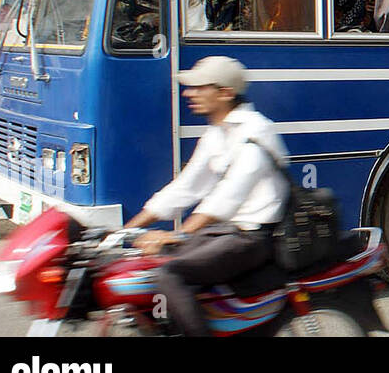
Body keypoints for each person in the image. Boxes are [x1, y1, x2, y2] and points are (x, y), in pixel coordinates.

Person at [124, 57, 289, 337]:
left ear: (225, 93)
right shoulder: (217, 133)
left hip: (252, 238)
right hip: (224, 233)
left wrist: (177, 235)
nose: (189, 93)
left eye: (200, 87)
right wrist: (127, 230)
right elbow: (185, 187)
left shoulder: (255, 131)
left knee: (171, 274)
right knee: (148, 263)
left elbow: (227, 197)